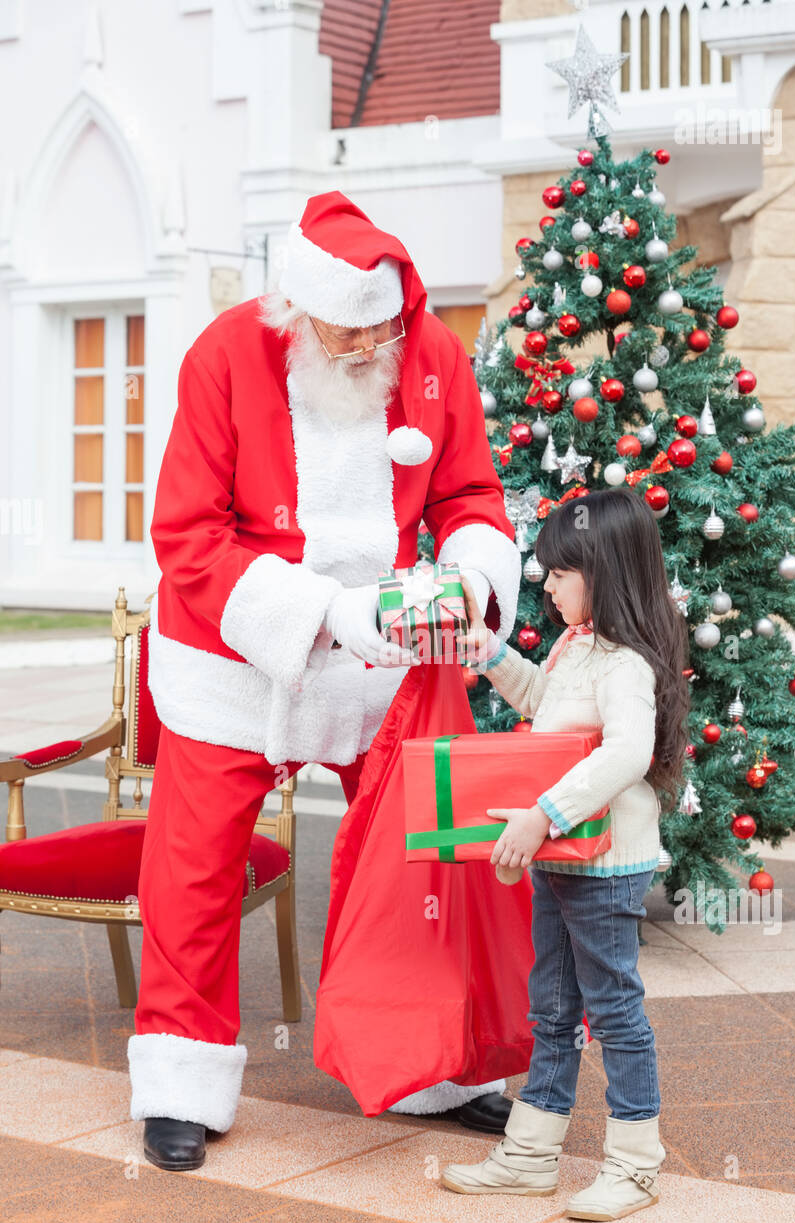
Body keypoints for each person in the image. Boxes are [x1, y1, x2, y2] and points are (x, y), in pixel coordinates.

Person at [130, 191, 522, 1171]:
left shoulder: (429, 353)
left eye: (379, 330)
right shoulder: (225, 353)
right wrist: (320, 613)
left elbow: (469, 491)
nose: (364, 349)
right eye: (346, 331)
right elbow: (187, 533)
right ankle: (181, 1077)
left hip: (388, 664)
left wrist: (470, 578)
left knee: (427, 860)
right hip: (233, 659)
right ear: (298, 311)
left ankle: (437, 1063)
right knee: (192, 872)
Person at [440, 488, 689, 1220]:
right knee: (552, 1009)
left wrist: (544, 815)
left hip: (605, 867)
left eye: (558, 572)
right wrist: (489, 654)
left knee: (613, 1012)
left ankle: (636, 1166)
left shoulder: (625, 662)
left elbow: (627, 752)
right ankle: (530, 1154)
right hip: (565, 860)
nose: (544, 585)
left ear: (604, 570)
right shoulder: (578, 647)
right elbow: (547, 705)